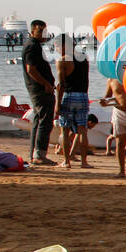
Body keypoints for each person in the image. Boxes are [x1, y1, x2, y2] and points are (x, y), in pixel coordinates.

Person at [22, 19, 57, 166]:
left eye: (45, 31)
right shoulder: (32, 47)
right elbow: (31, 69)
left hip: (37, 89)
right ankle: (39, 155)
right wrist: (46, 84)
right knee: (45, 121)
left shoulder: (34, 46)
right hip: (40, 90)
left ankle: (35, 153)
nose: (43, 34)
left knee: (38, 120)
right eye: (40, 31)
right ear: (32, 32)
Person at [54, 34, 92, 168]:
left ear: (65, 45)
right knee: (82, 130)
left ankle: (66, 161)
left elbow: (61, 85)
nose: (56, 49)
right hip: (82, 95)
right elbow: (85, 79)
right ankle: (84, 162)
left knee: (64, 130)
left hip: (69, 95)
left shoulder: (63, 60)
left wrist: (57, 104)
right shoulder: (83, 58)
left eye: (57, 46)